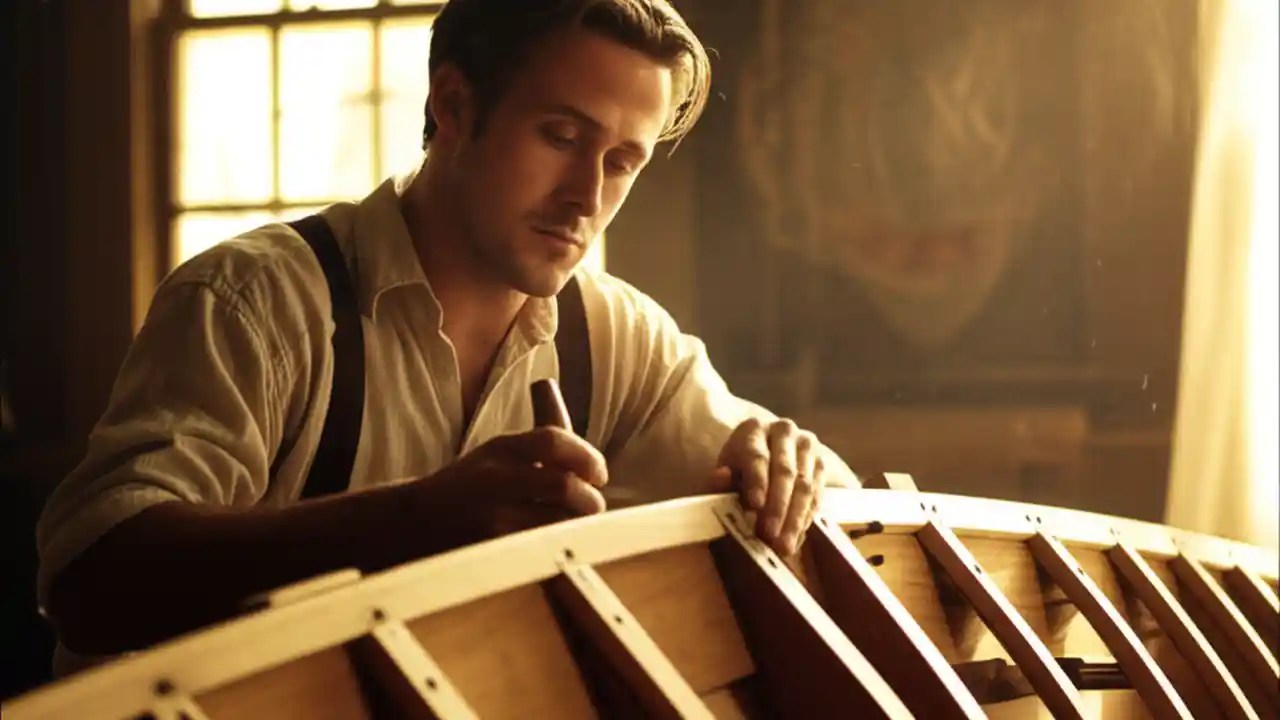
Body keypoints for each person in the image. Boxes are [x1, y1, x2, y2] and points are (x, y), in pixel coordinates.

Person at [36, 0, 857, 672]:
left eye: (621, 163)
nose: (586, 196)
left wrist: (793, 471)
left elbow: (829, 511)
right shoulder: (256, 299)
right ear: (453, 105)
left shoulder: (617, 334)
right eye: (562, 137)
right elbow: (91, 580)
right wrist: (413, 520)